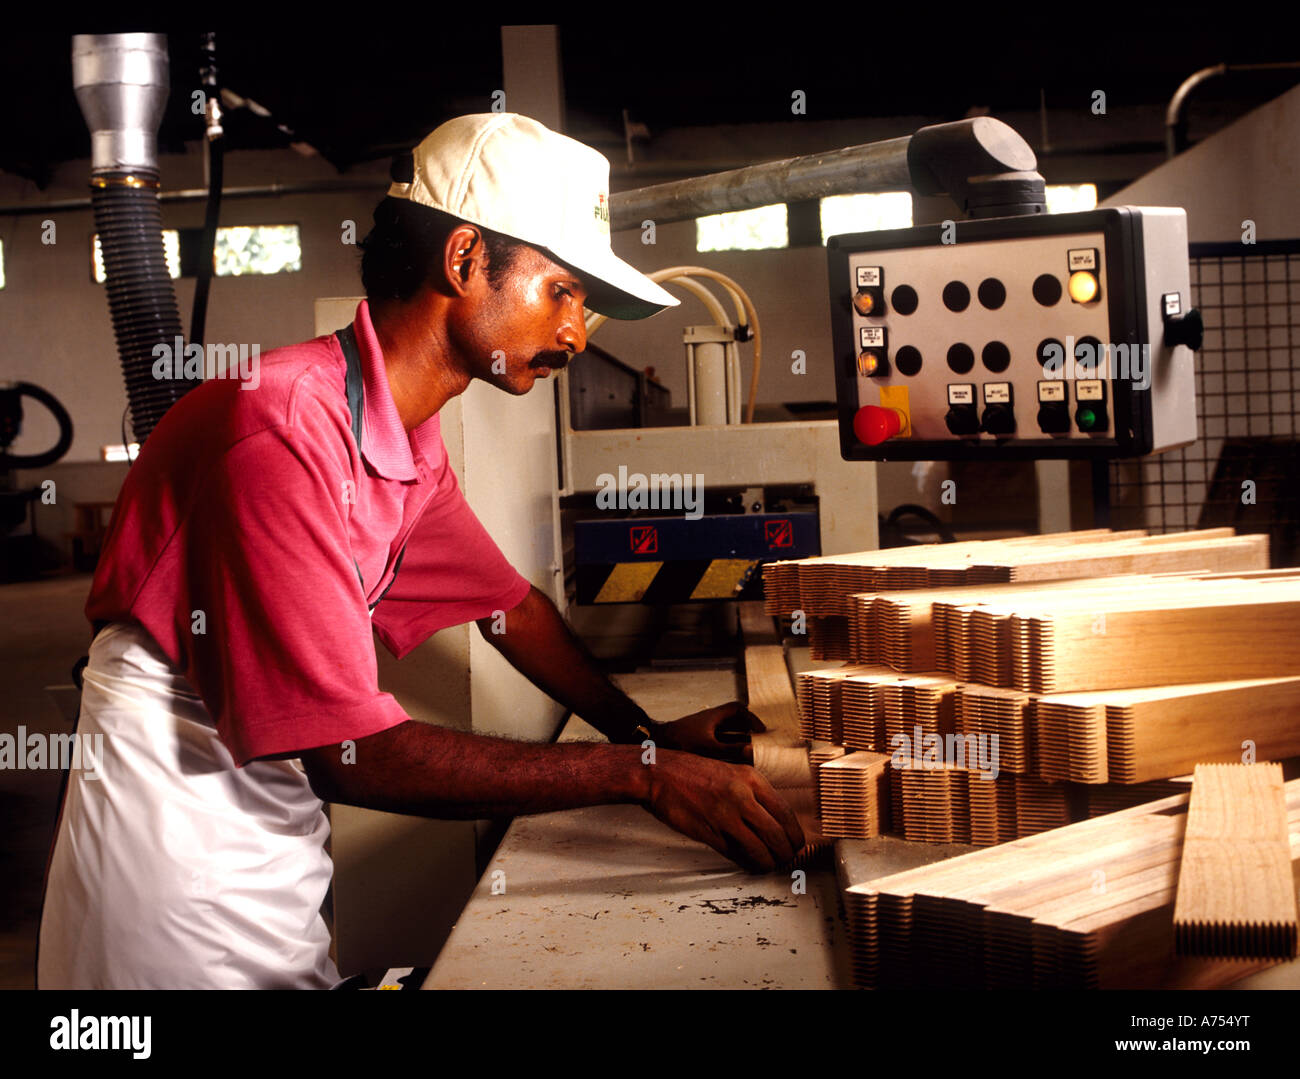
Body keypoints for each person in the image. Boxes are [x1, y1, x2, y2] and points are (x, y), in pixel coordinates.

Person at [37, 113, 804, 989]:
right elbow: (349, 749)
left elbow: (509, 611)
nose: (577, 334)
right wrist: (640, 774)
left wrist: (649, 736)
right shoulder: (282, 425)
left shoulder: (399, 432)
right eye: (562, 291)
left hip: (266, 811)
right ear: (466, 259)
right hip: (171, 818)